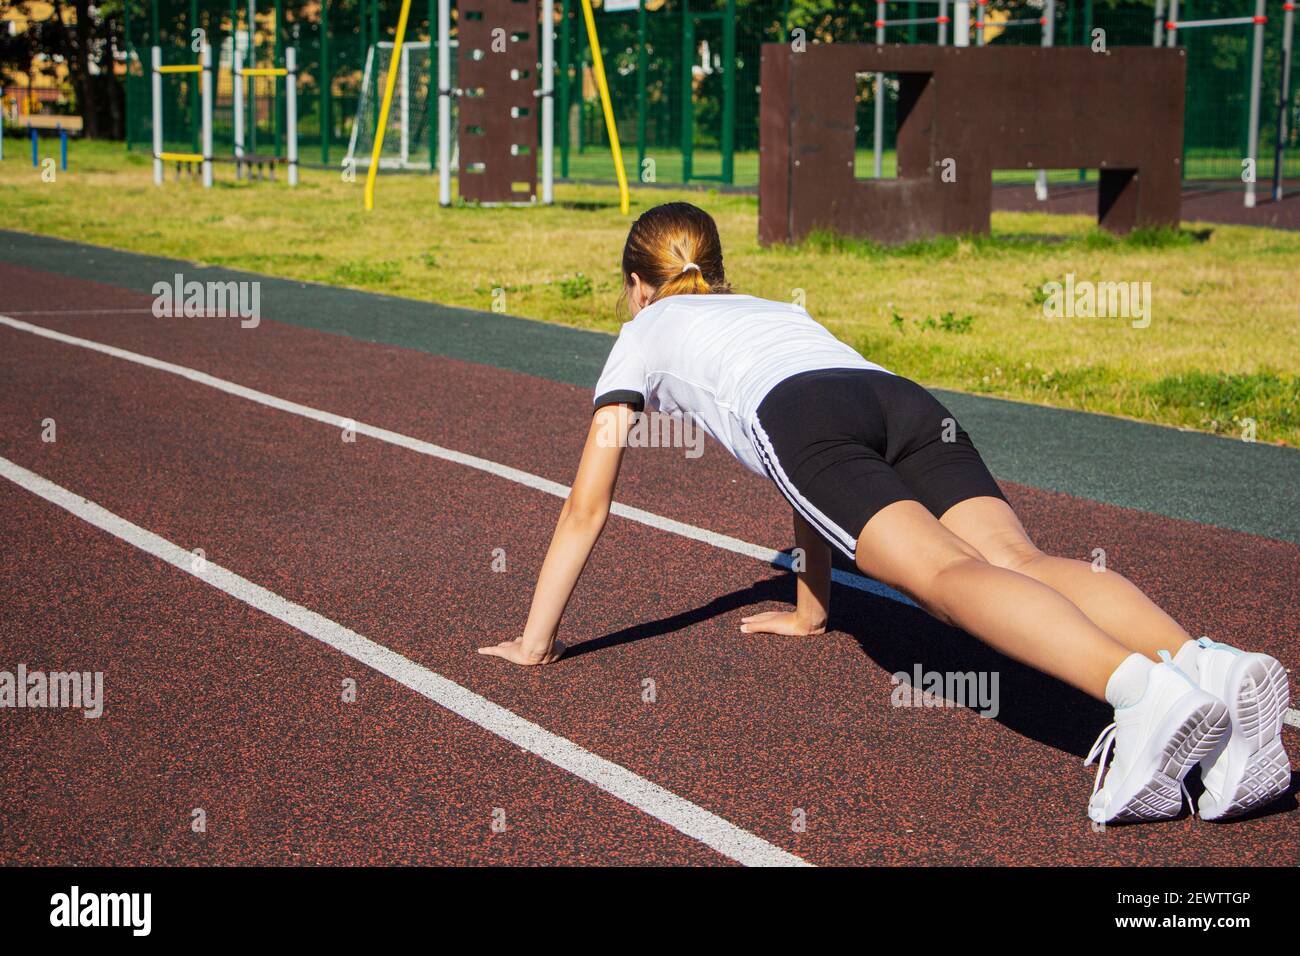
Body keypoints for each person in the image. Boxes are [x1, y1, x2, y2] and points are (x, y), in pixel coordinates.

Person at [479, 201, 1291, 823]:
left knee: (944, 576)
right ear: (717, 269)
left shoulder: (646, 329)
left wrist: (537, 641)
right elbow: (798, 488)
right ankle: (1208, 663)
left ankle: (1140, 695)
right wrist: (810, 608)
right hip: (897, 399)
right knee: (1020, 560)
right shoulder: (774, 312)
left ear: (636, 285)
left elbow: (589, 504)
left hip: (806, 420)